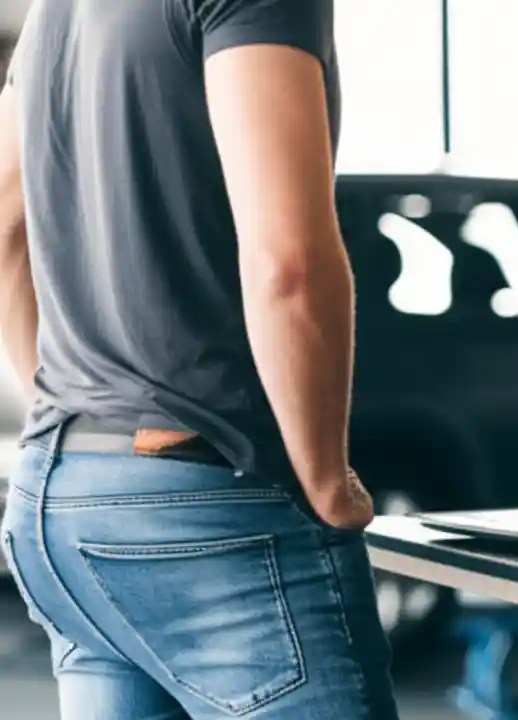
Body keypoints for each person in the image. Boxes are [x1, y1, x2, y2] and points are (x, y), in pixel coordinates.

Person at [0, 1, 399, 718]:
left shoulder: (51, 15)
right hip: (210, 504)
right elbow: (289, 264)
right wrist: (326, 481)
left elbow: (4, 228)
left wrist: (79, 428)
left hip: (57, 496)